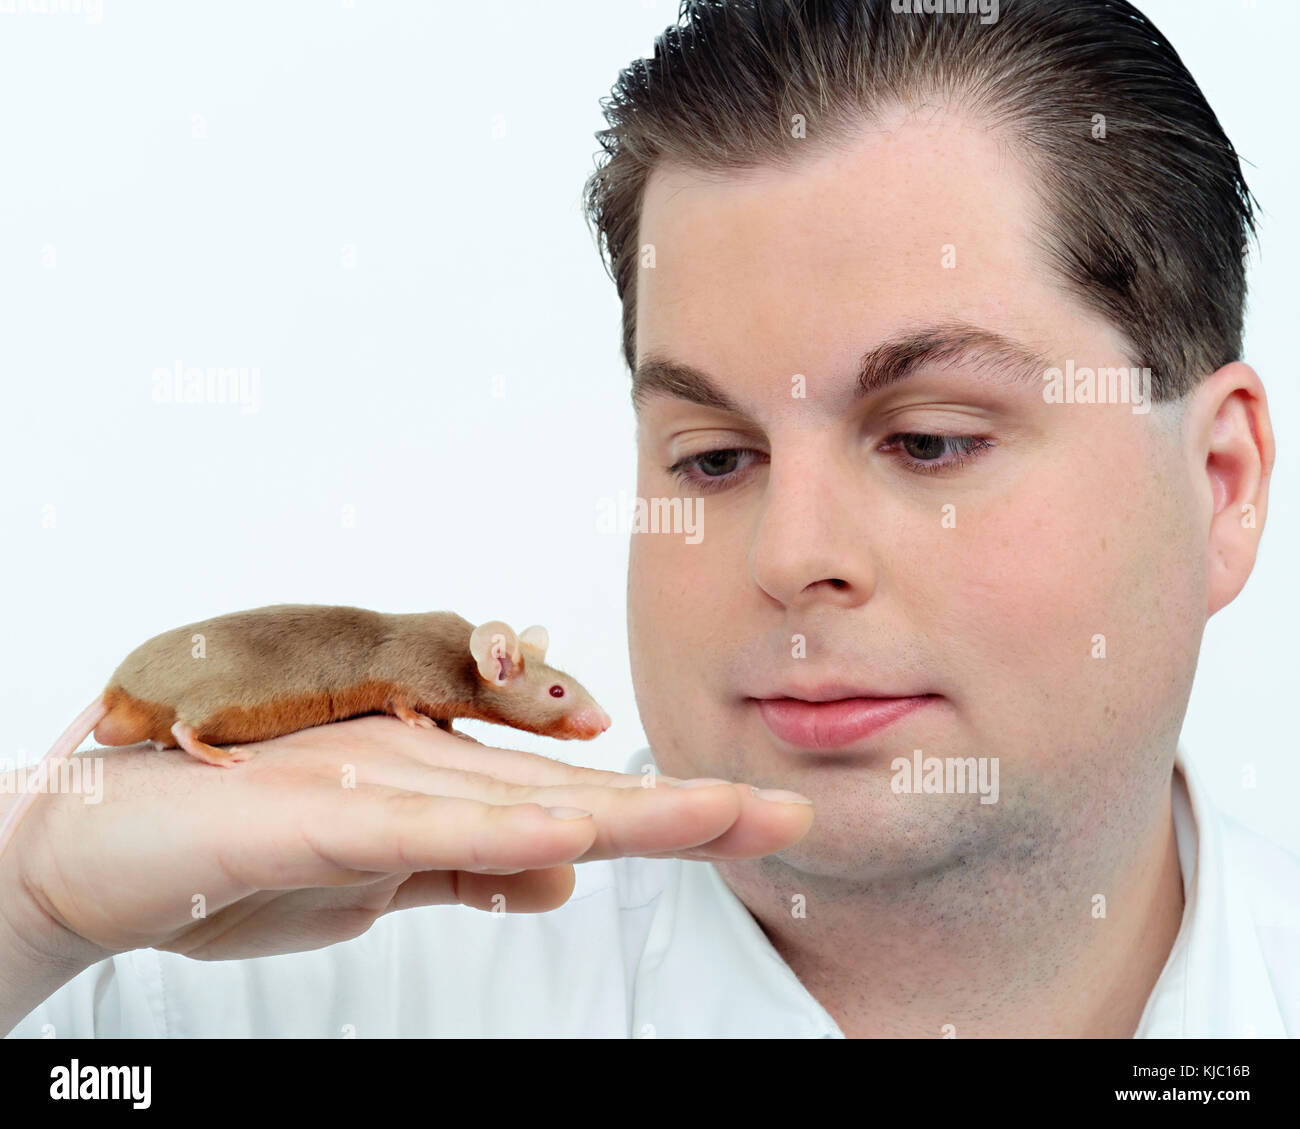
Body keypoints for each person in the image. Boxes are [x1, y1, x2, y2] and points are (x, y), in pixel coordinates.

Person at [3, 0, 1296, 1038]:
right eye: (716, 455)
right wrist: (24, 910)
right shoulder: (230, 992)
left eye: (930, 439)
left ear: (1222, 481)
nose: (793, 557)